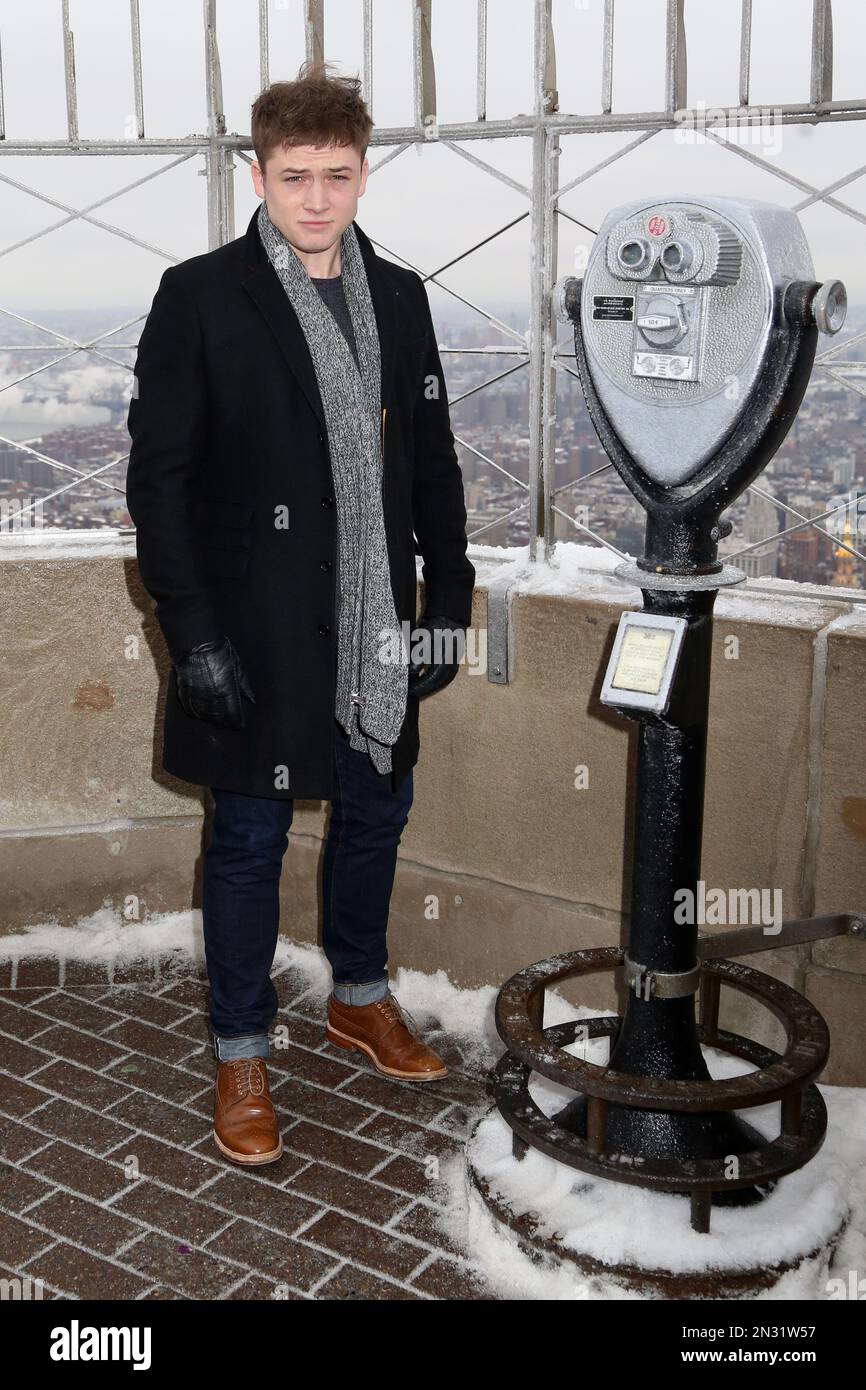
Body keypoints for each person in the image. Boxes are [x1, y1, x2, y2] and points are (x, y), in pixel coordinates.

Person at [125, 60, 475, 1166]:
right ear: (256, 175)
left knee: (376, 809)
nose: (316, 198)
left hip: (375, 616)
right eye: (292, 176)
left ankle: (358, 997)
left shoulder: (402, 295)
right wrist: (196, 636)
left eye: (335, 175)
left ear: (364, 174)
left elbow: (431, 465)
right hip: (254, 621)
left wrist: (448, 599)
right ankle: (240, 1050)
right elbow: (159, 482)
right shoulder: (201, 295)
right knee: (247, 838)